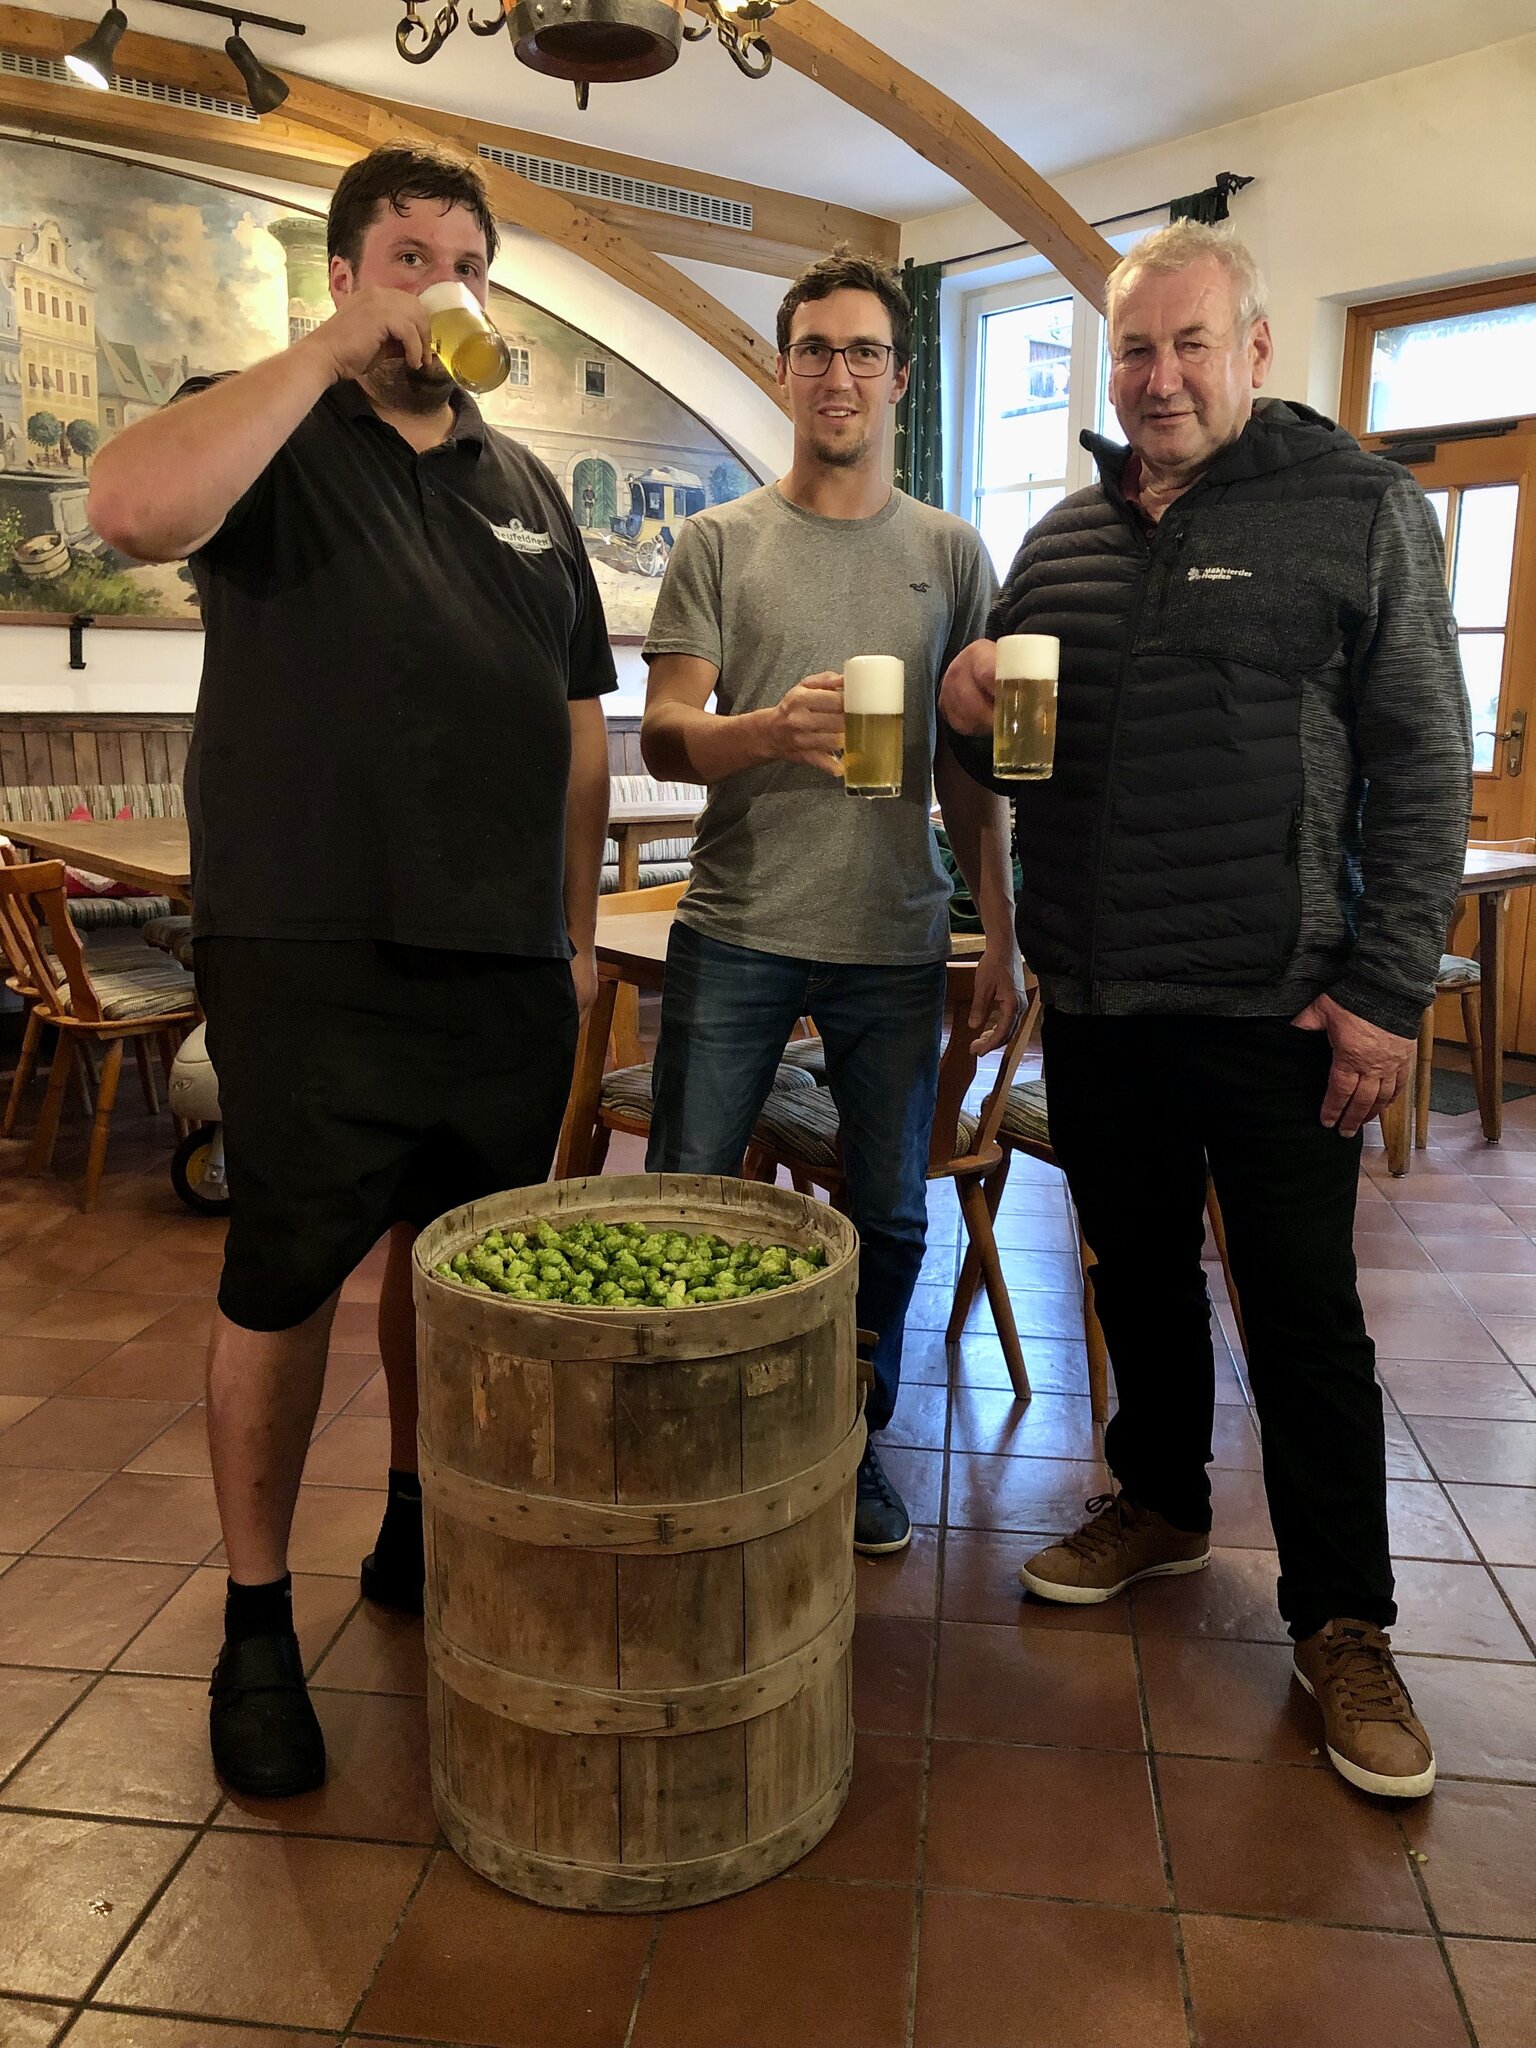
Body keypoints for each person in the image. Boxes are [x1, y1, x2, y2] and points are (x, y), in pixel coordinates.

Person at [86, 143, 613, 1798]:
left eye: (465, 260)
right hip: (310, 940)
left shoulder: (528, 486)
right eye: (404, 254)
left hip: (505, 957)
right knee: (288, 1273)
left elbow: (584, 723)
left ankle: (411, 1526)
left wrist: (580, 927)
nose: (439, 282)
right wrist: (327, 353)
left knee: (448, 1276)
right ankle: (256, 1621)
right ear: (342, 272)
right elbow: (127, 506)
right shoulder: (265, 424)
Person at [940, 219, 1471, 1800]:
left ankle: (1345, 1624)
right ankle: (1161, 1501)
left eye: (1187, 346)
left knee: (1304, 1320)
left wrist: (1381, 997)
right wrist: (967, 723)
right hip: (1100, 998)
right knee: (1140, 1273)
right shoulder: (1061, 542)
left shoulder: (1358, 510)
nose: (1156, 378)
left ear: (1254, 350)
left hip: (1279, 1004)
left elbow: (1424, 763)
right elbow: (1014, 772)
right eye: (1130, 350)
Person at [641, 250, 1022, 1556]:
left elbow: (973, 772)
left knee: (897, 1212)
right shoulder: (719, 544)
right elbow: (664, 737)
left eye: (866, 352)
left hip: (894, 941)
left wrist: (1003, 939)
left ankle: (850, 1441)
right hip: (736, 927)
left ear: (899, 380)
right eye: (817, 349)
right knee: (687, 1187)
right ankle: (683, 1433)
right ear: (784, 367)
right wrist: (765, 732)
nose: (840, 373)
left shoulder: (952, 552)